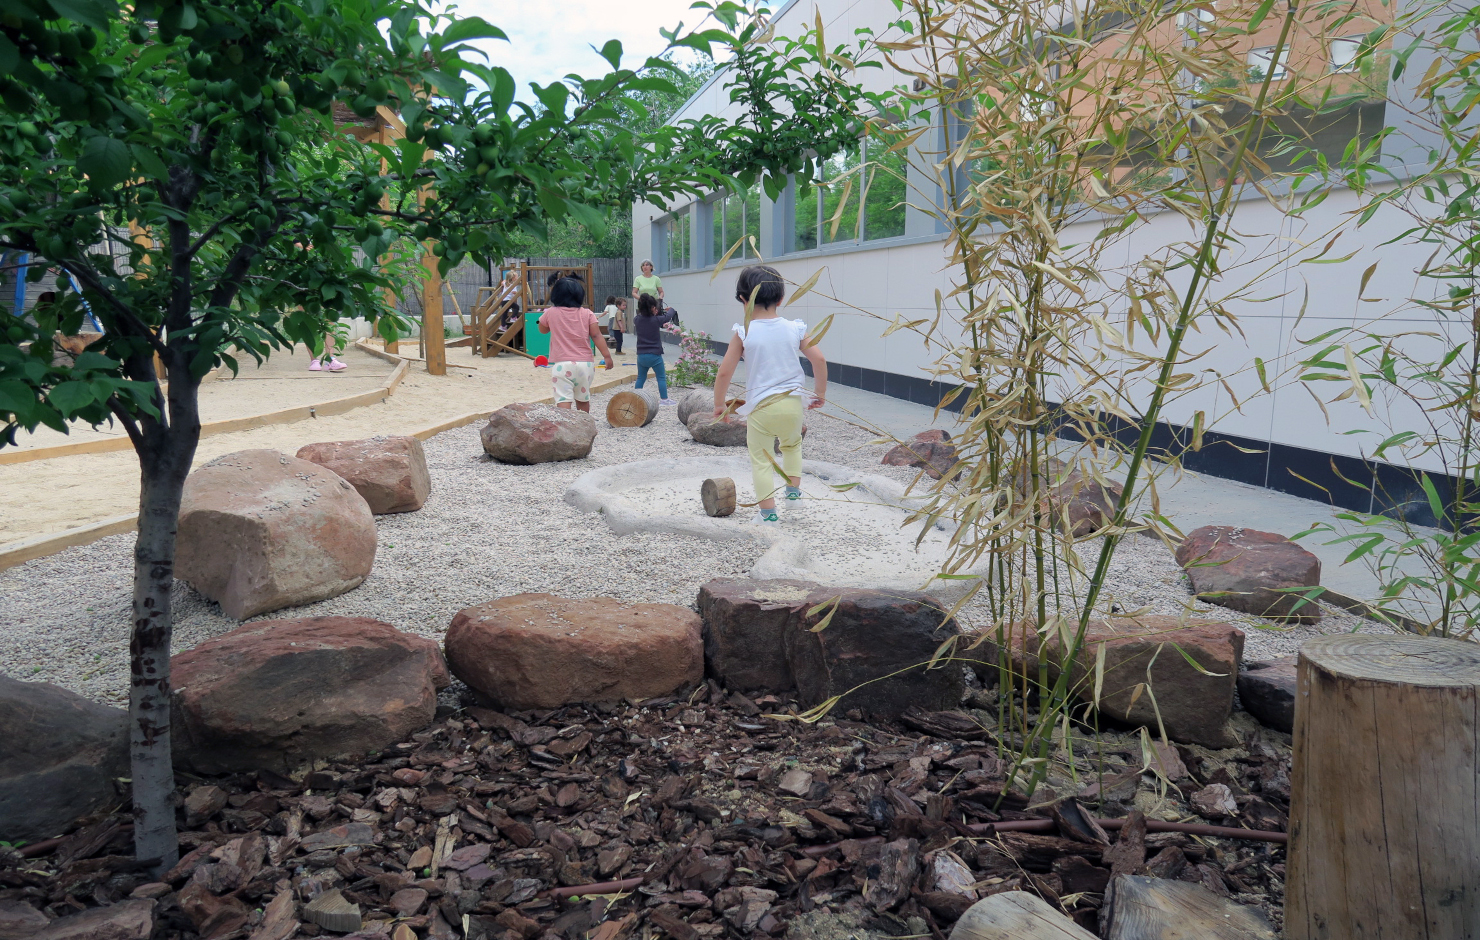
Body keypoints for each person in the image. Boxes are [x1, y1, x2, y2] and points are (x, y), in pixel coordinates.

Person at [712, 265, 827, 527]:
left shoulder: (744, 332)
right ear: (781, 299)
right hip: (792, 403)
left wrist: (720, 405)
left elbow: (724, 373)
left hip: (762, 408)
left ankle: (768, 514)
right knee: (792, 446)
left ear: (743, 299)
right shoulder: (795, 328)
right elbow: (819, 359)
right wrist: (819, 393)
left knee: (762, 460)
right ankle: (793, 494)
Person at [538, 275, 613, 412]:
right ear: (580, 296)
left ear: (555, 295)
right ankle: (584, 427)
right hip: (585, 365)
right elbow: (597, 335)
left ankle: (567, 428)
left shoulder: (551, 313)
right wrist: (607, 356)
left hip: (562, 365)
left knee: (563, 399)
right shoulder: (587, 313)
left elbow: (542, 330)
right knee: (583, 398)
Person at [633, 292, 676, 405]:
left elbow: (644, 317)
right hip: (655, 355)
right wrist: (671, 309)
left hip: (641, 355)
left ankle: (636, 397)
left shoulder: (636, 319)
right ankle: (664, 399)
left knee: (641, 378)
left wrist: (653, 312)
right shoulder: (656, 320)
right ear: (653, 308)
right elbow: (668, 316)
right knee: (661, 378)